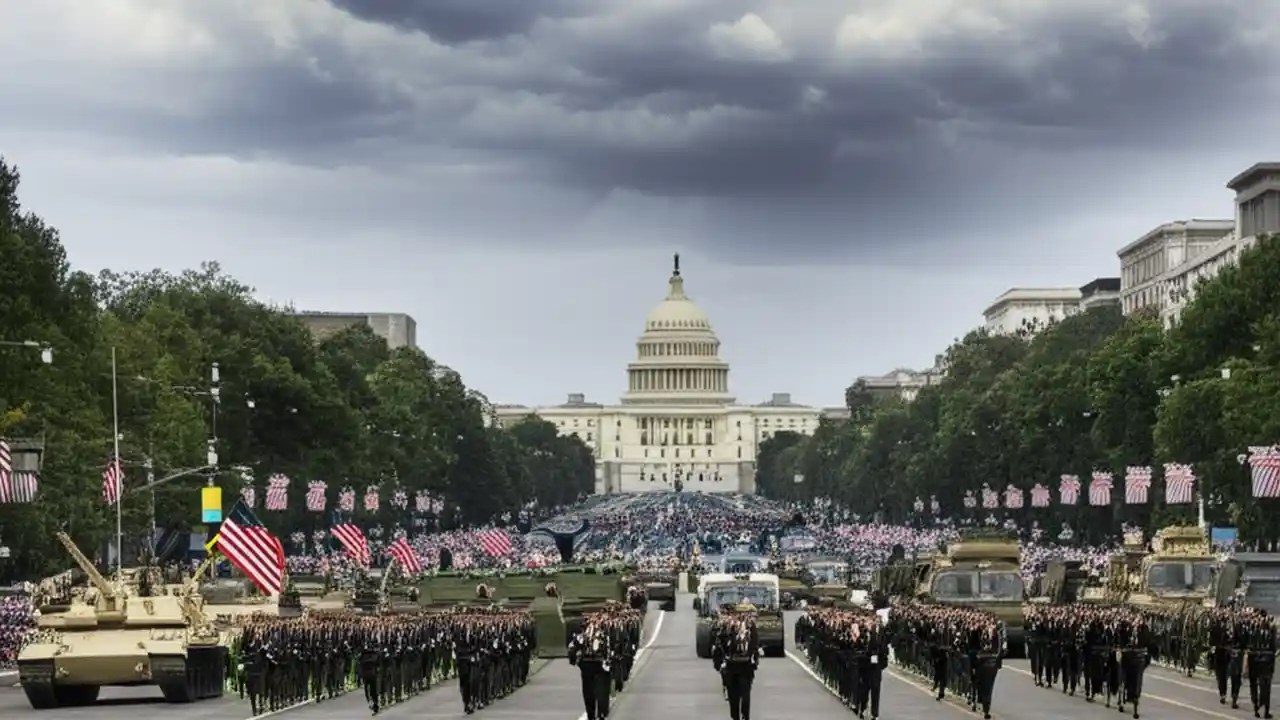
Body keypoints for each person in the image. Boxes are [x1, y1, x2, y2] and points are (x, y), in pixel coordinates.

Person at [712, 603, 759, 720]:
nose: (735, 616)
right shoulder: (726, 627)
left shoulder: (749, 626)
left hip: (745, 666)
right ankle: (735, 717)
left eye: (737, 614)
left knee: (745, 695)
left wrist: (753, 659)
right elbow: (720, 644)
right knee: (733, 697)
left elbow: (755, 643)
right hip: (731, 666)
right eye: (733, 614)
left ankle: (745, 717)